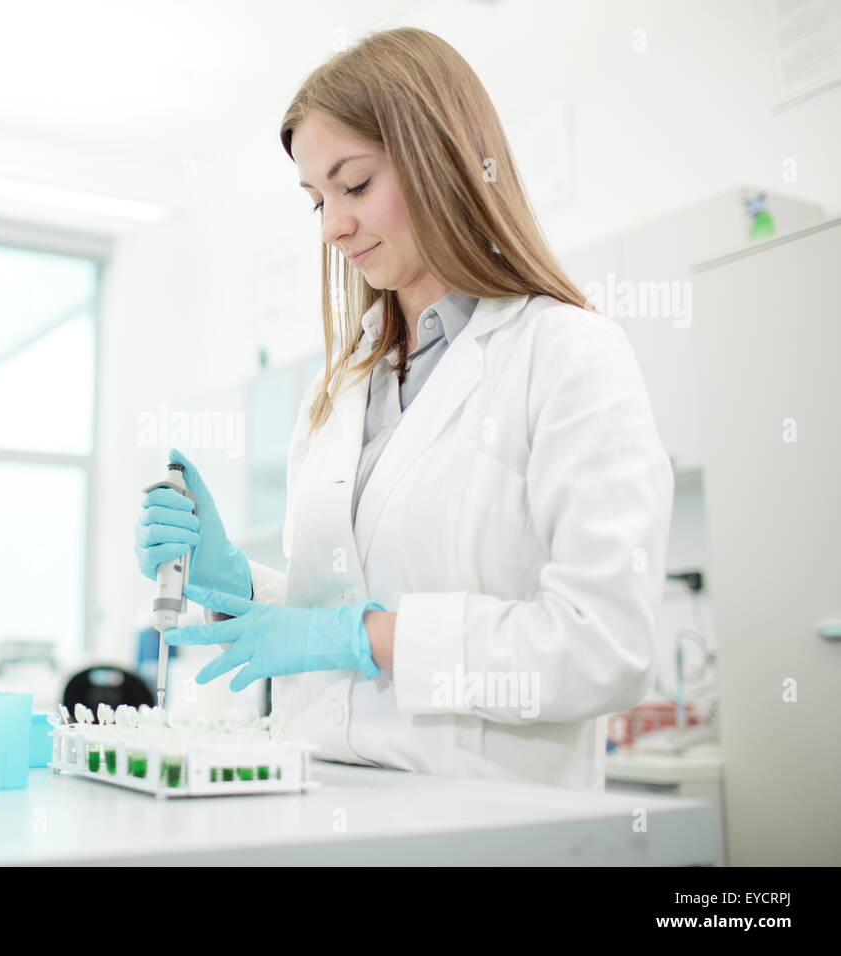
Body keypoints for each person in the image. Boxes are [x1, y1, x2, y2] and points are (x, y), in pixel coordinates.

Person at [134, 28, 673, 791]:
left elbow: (603, 648)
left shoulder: (565, 354)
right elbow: (335, 615)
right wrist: (237, 584)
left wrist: (365, 637)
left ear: (442, 159)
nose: (331, 227)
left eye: (353, 185)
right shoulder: (340, 387)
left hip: (492, 823)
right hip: (323, 796)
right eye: (316, 200)